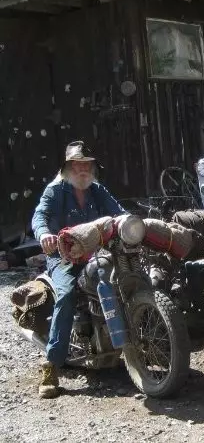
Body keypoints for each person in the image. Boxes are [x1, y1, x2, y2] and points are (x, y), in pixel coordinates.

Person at [31, 140, 125, 399]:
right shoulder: (55, 191)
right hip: (64, 256)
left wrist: (133, 223)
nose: (82, 169)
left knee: (127, 279)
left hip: (97, 254)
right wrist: (44, 235)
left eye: (86, 164)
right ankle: (51, 366)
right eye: (77, 164)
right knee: (68, 294)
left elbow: (118, 213)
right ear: (68, 167)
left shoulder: (97, 190)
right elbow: (39, 216)